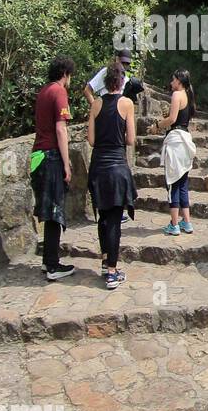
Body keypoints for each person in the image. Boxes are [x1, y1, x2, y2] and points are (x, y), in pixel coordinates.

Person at [86, 63, 137, 290]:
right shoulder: (126, 104)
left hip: (98, 165)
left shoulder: (96, 104)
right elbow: (131, 139)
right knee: (115, 220)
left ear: (106, 82)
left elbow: (91, 140)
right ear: (121, 82)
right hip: (117, 165)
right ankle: (112, 272)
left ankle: (106, 260)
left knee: (103, 216)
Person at [32, 56, 76, 281]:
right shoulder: (59, 92)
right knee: (54, 212)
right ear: (65, 74)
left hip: (37, 156)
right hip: (51, 157)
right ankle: (52, 265)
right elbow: (61, 129)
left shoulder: (43, 92)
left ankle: (46, 261)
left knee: (48, 211)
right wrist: (66, 163)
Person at [160, 70, 197, 236]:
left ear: (179, 81)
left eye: (173, 79)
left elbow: (172, 119)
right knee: (182, 182)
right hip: (185, 139)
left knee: (173, 182)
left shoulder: (177, 95)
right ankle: (186, 222)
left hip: (176, 140)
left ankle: (174, 224)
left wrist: (157, 125)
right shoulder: (188, 95)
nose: (171, 82)